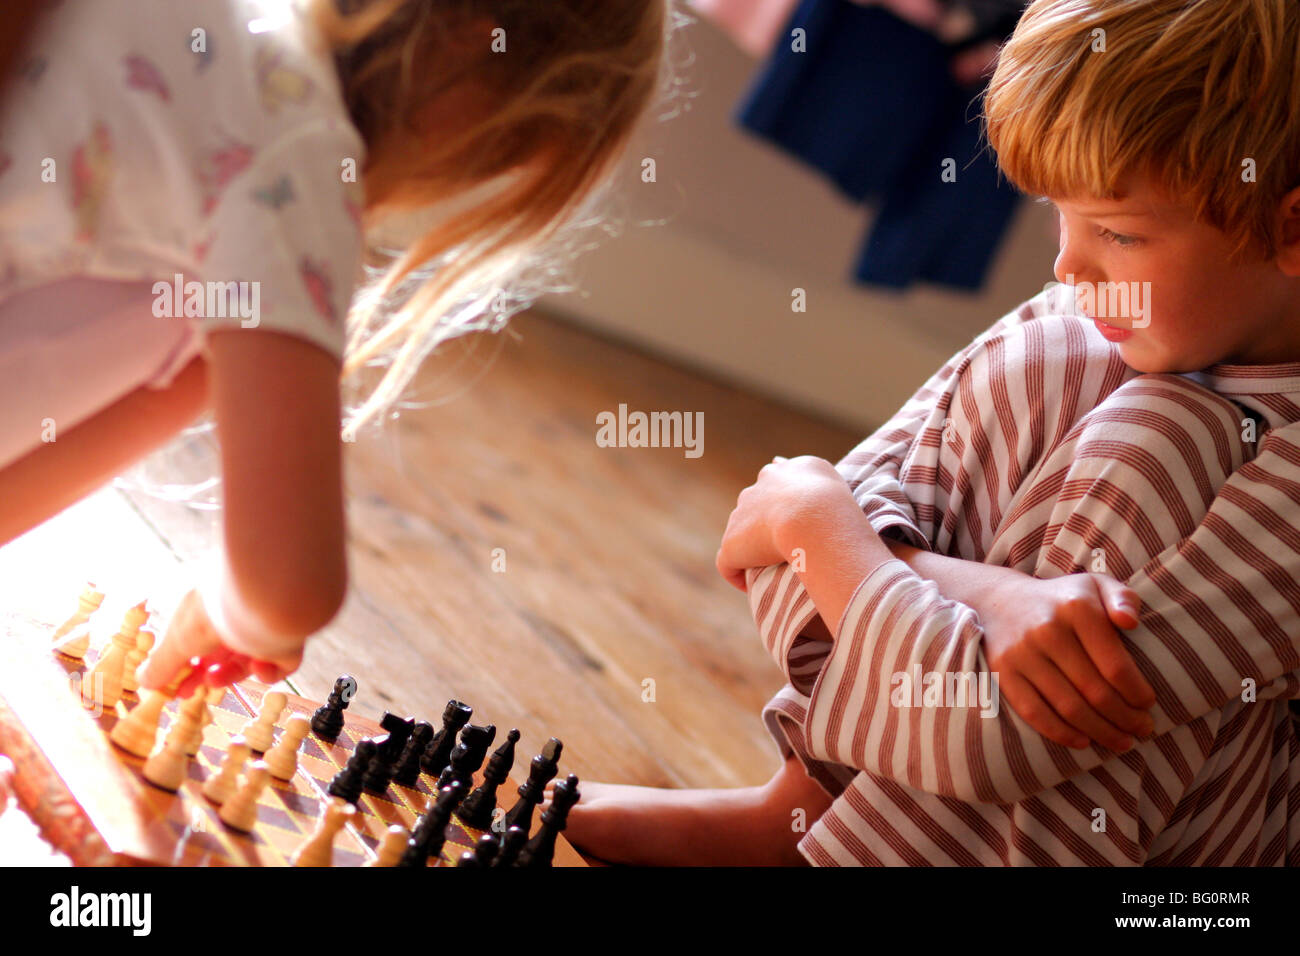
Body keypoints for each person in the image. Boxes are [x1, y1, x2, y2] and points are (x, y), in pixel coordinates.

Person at [562, 0, 1300, 865]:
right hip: (972, 736)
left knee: (1159, 433)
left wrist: (819, 526)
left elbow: (1001, 737)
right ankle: (806, 809)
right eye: (1059, 213)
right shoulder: (1072, 324)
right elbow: (758, 553)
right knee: (1059, 346)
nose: (1067, 263)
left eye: (1119, 232)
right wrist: (997, 597)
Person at [0, 0, 674, 696]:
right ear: (475, 50)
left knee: (210, 332)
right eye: (503, 153)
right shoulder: (303, 151)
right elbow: (292, 586)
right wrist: (237, 612)